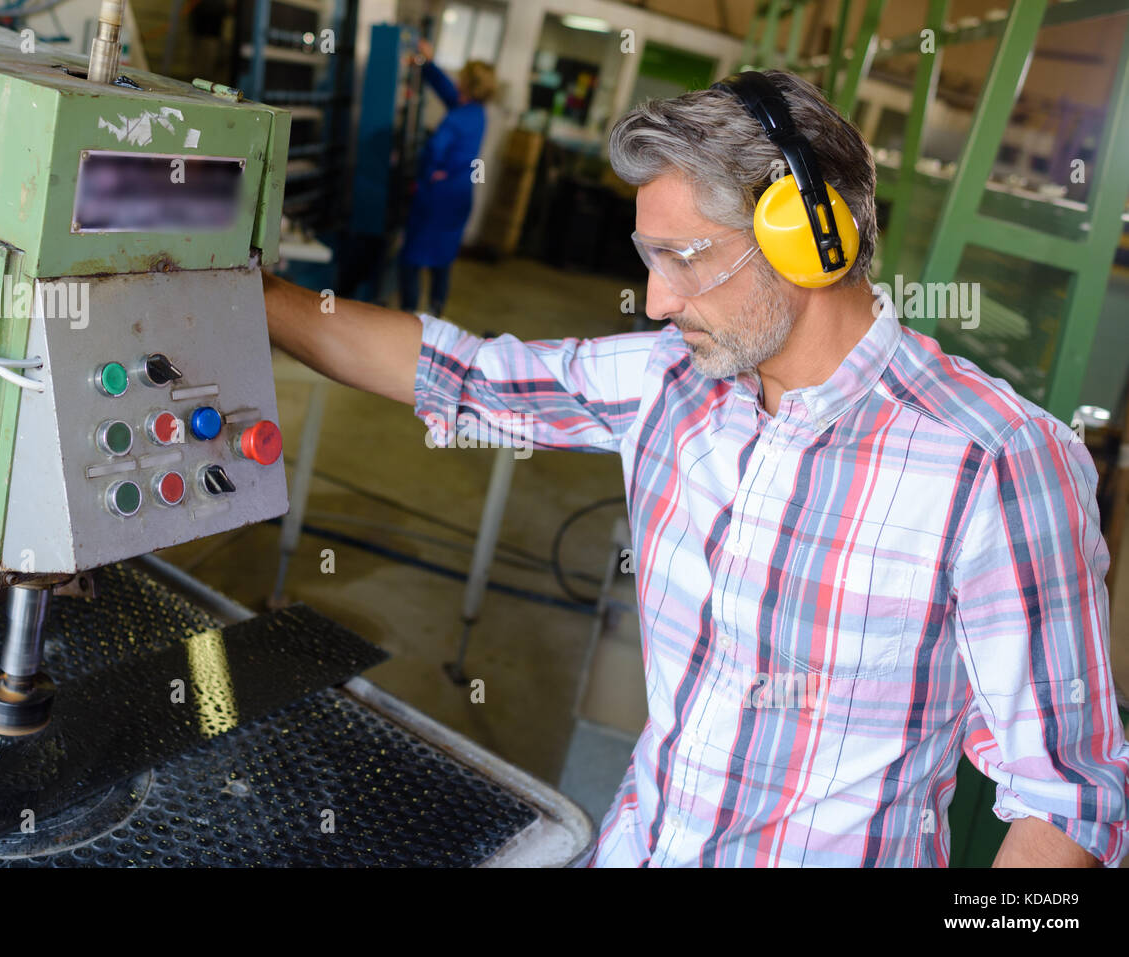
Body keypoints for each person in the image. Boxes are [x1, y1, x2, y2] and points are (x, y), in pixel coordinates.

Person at [261, 70, 1129, 867]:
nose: (658, 300)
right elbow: (462, 374)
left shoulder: (994, 462)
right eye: (650, 257)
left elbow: (1067, 802)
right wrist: (236, 292)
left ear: (810, 239)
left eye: (686, 257)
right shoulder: (673, 383)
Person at [399, 41, 495, 317]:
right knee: (442, 262)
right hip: (460, 196)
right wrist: (427, 64)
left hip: (437, 198)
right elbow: (448, 91)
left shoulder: (456, 119)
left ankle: (409, 318)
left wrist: (426, 172)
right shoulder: (476, 113)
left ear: (468, 82)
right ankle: (436, 315)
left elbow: (434, 148)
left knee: (412, 260)